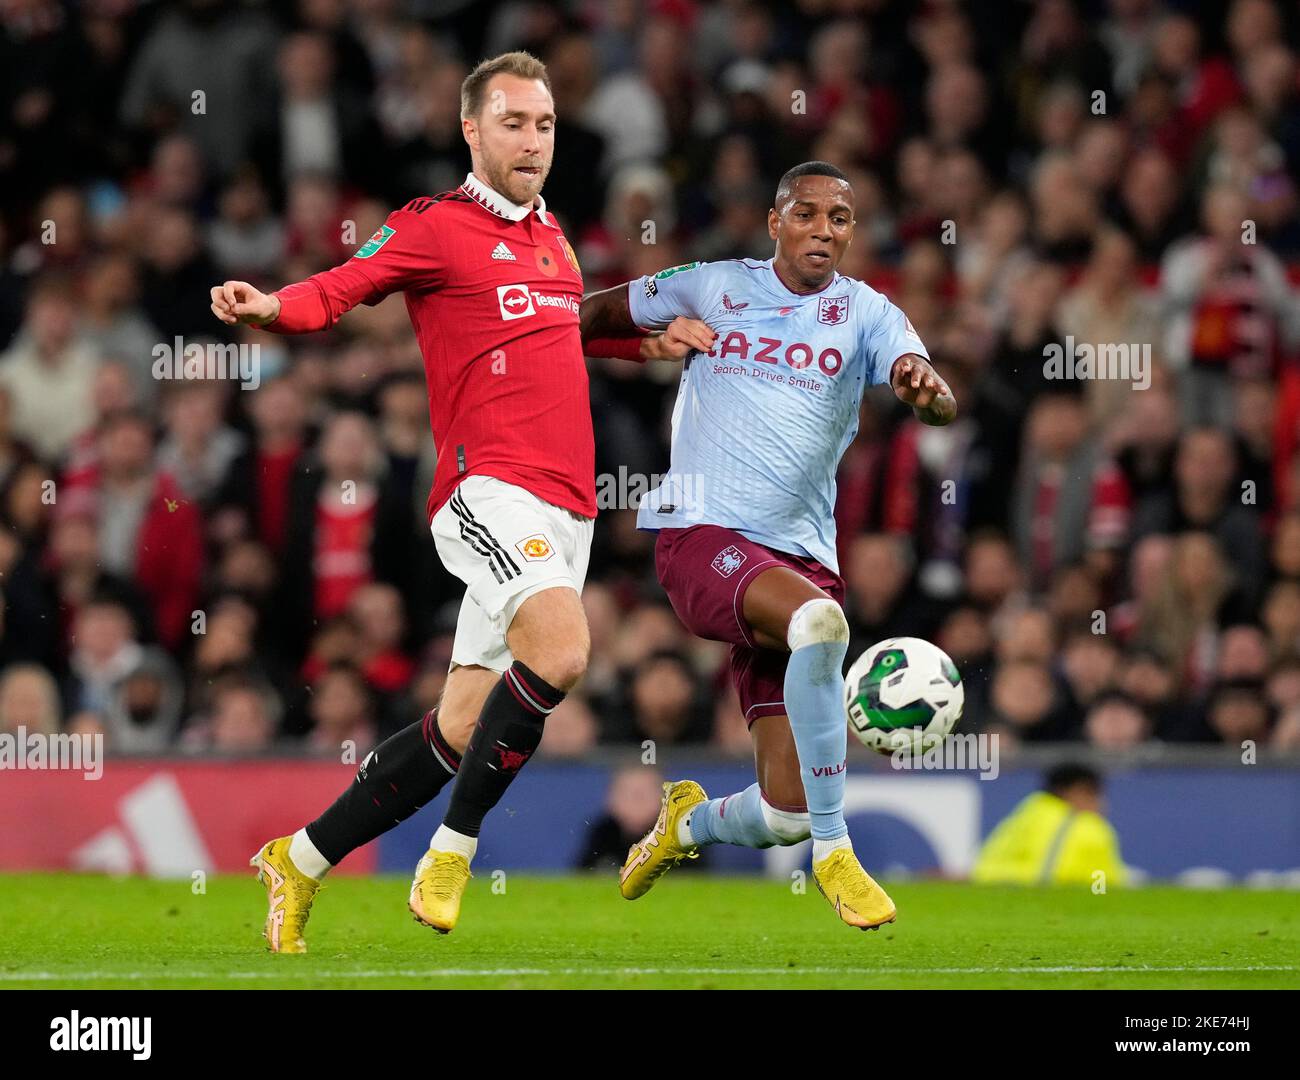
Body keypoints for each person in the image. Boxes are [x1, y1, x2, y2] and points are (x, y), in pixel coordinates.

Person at [210, 52, 709, 951]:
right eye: (513, 122)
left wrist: (649, 343)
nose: (532, 140)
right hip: (486, 488)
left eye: (545, 124)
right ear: (472, 131)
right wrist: (270, 307)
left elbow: (562, 331)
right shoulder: (434, 227)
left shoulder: (554, 239)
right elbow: (342, 287)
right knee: (562, 648)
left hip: (568, 509)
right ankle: (452, 850)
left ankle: (301, 859)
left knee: (459, 726)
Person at [580, 161, 956, 929]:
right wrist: (650, 342)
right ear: (776, 221)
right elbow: (582, 319)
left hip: (798, 558)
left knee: (782, 810)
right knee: (820, 624)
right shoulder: (713, 283)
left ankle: (685, 823)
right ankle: (836, 850)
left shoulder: (869, 315)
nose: (825, 230)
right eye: (809, 214)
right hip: (701, 536)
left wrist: (926, 391)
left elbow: (932, 391)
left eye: (841, 219)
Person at [972, 763, 1128, 886]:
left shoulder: (1028, 812)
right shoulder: (1081, 824)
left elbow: (985, 865)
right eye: (1093, 793)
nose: (1101, 803)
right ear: (1074, 791)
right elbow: (1051, 875)